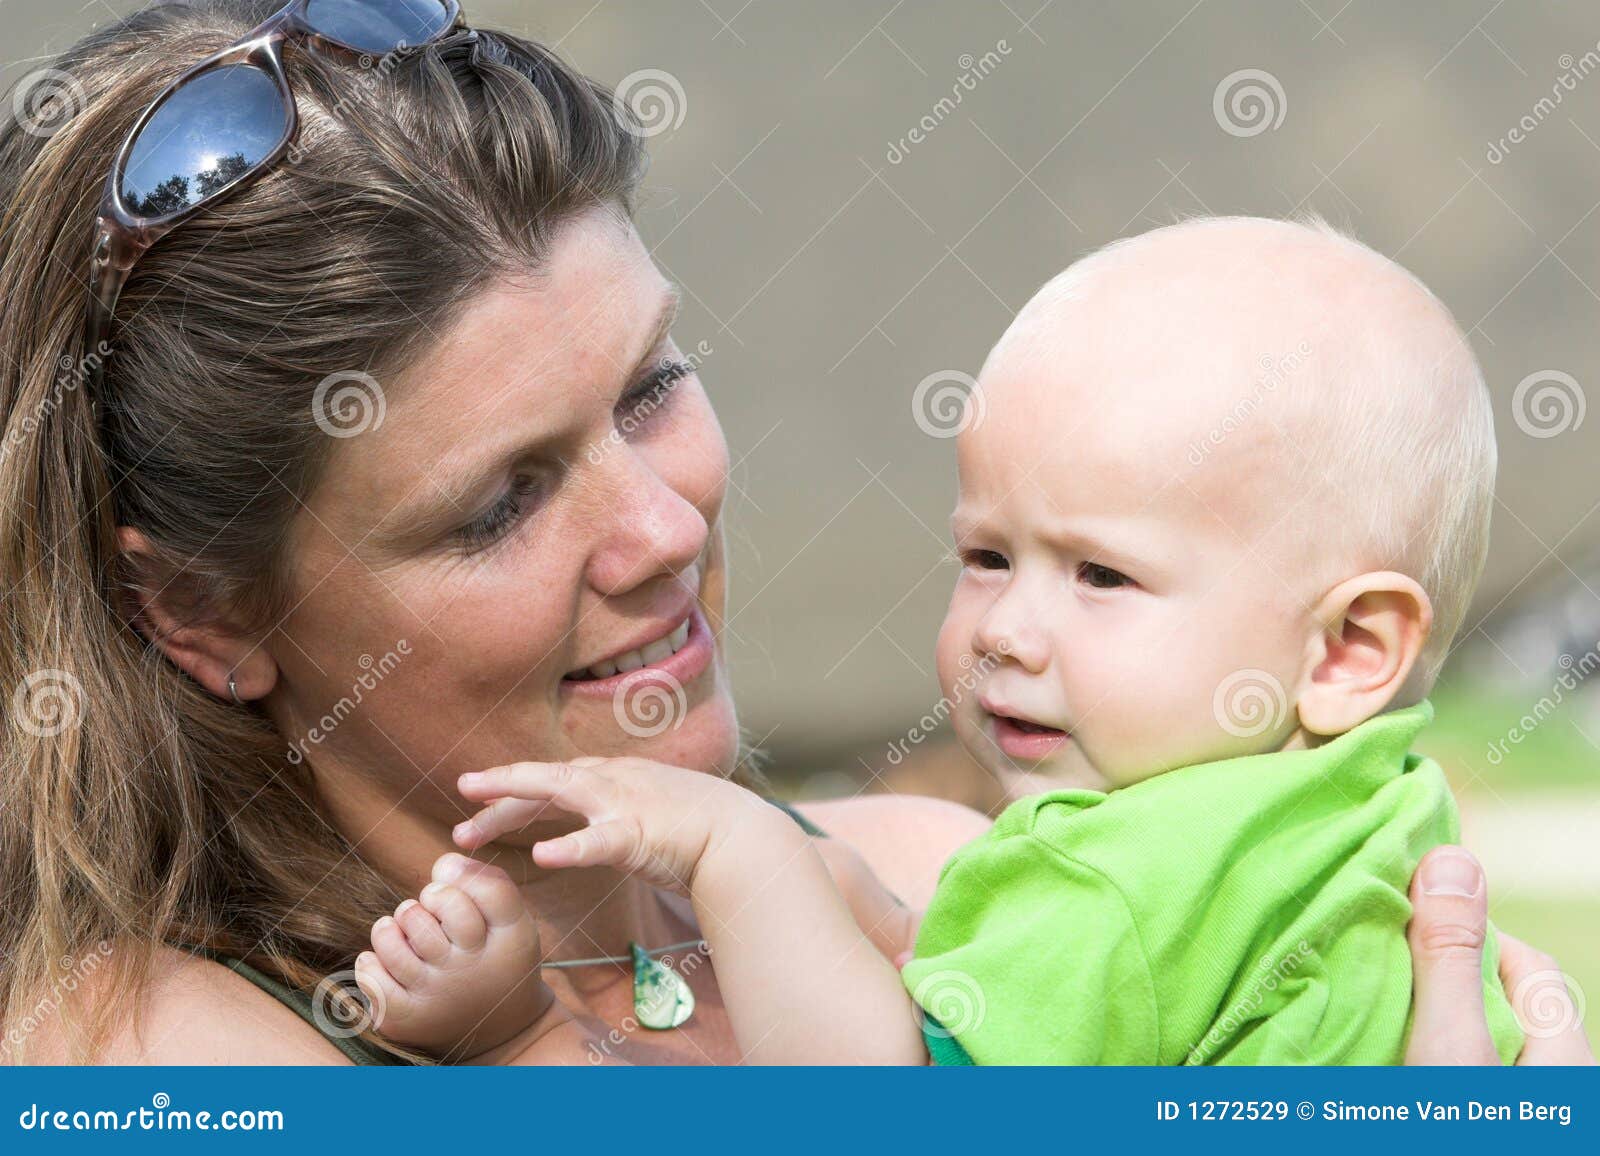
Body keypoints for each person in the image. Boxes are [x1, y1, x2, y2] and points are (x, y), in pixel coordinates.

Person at [0, 2, 1586, 1067]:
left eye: (651, 389)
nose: (662, 526)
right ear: (205, 612)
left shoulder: (949, 883)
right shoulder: (142, 1049)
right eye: (502, 501)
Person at [364, 218, 1534, 1065]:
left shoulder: (1113, 882)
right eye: (984, 558)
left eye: (1102, 575)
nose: (1006, 631)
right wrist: (887, 927)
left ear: (1347, 651)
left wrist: (735, 859)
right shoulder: (1349, 817)